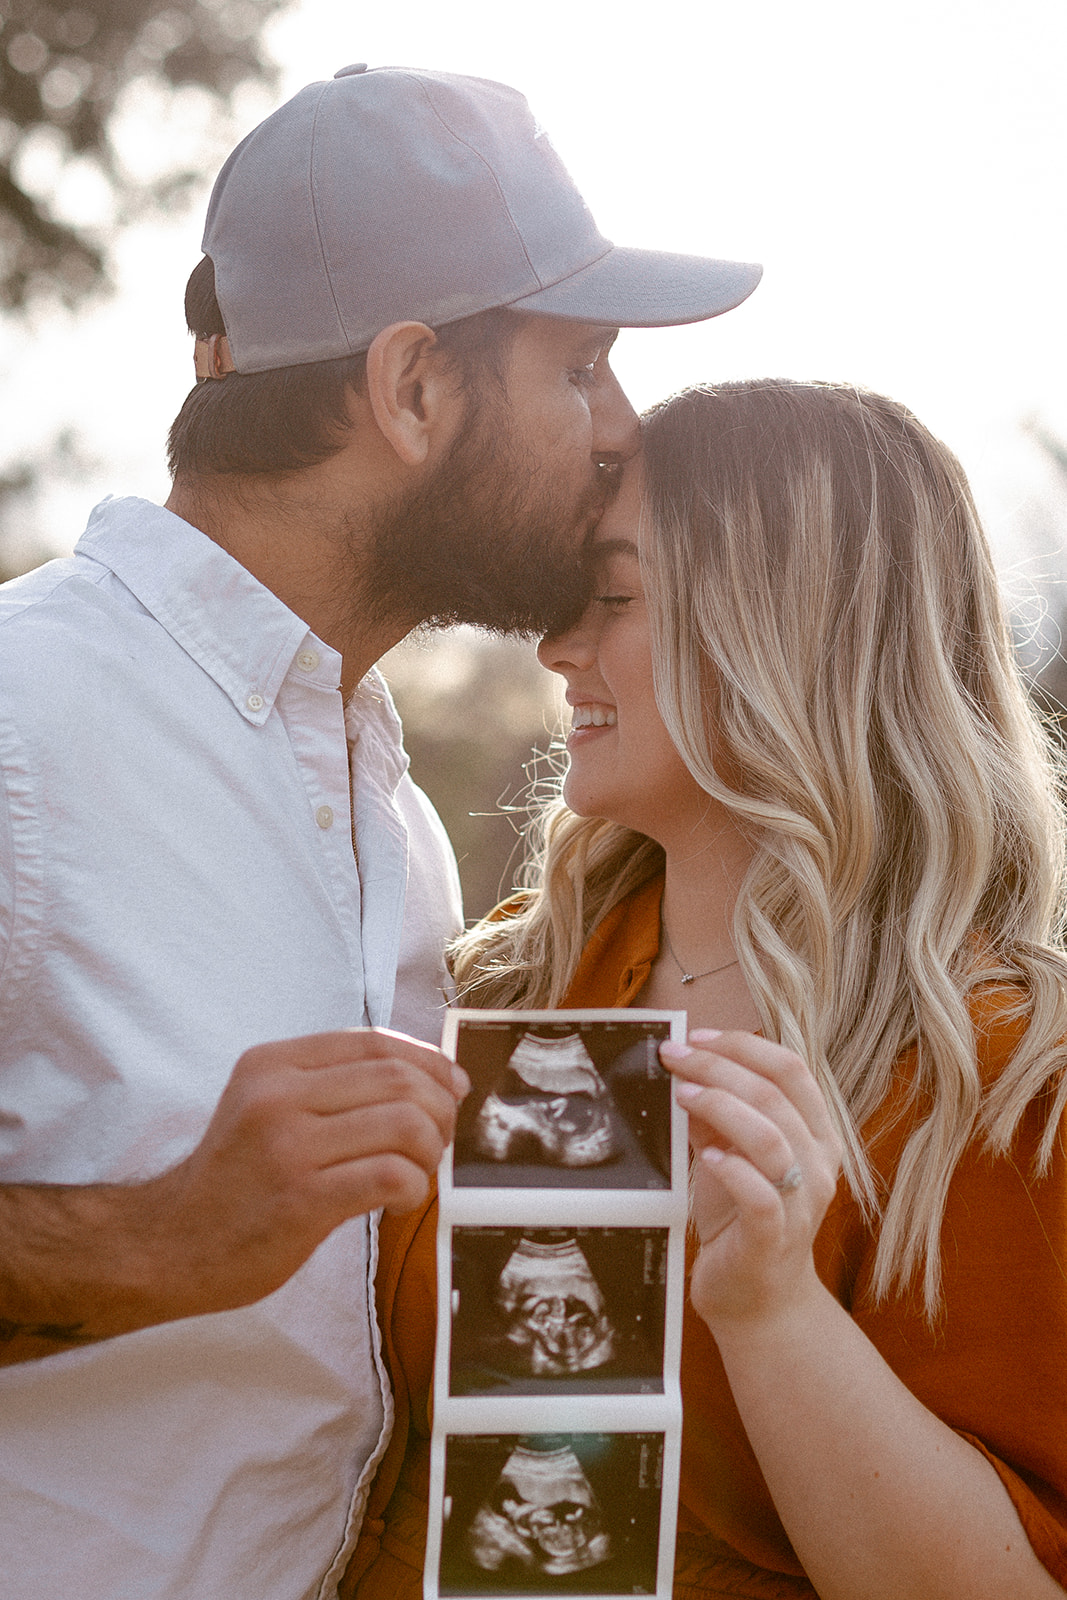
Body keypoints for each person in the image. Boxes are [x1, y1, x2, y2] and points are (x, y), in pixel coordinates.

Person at [0, 65, 761, 1599]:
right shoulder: (24, 720)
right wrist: (144, 1242)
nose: (621, 432)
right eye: (582, 369)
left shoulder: (391, 818)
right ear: (413, 389)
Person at [357, 380, 1067, 1600]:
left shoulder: (1001, 1074)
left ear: (794, 629)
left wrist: (773, 1309)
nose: (556, 646)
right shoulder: (506, 982)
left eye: (615, 596)